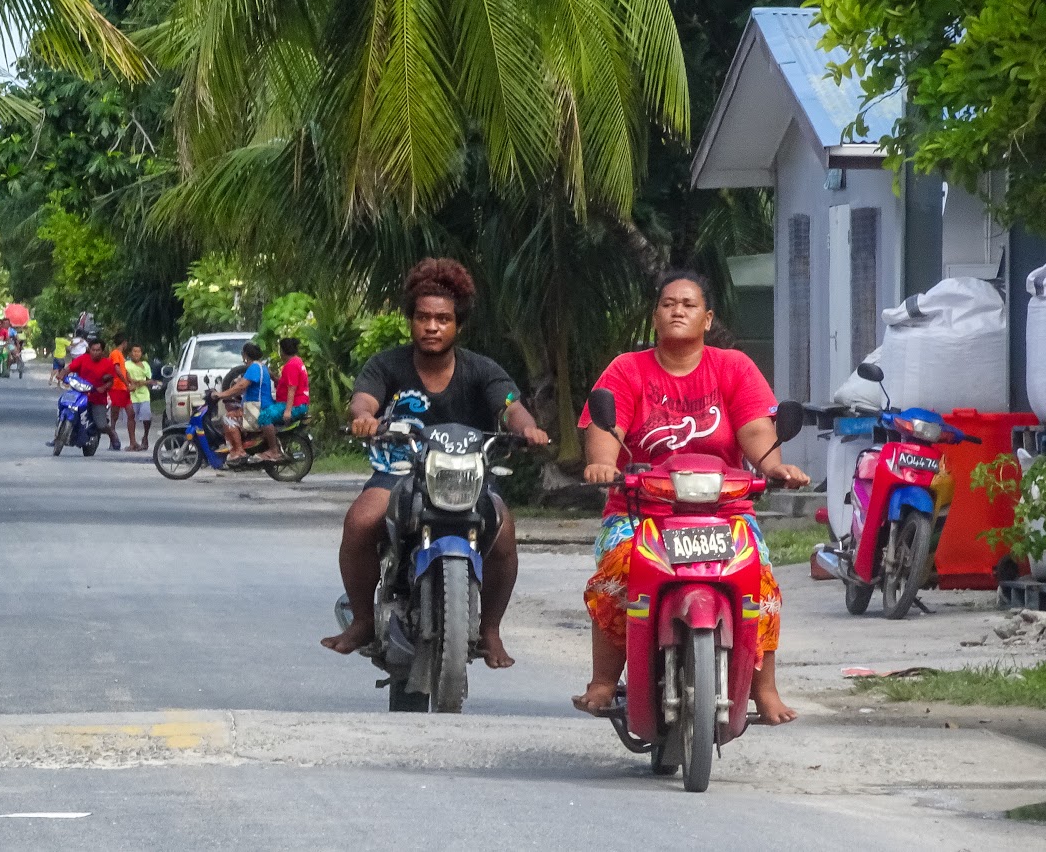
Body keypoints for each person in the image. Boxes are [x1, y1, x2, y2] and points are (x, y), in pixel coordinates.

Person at [573, 271, 809, 726]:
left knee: (759, 582)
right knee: (619, 571)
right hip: (640, 510)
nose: (677, 310)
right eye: (667, 303)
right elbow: (607, 430)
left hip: (725, 510)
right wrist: (603, 465)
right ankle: (604, 681)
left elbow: (757, 431)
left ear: (707, 317)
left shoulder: (734, 368)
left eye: (688, 304)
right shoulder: (627, 369)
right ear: (655, 315)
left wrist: (774, 466)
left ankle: (764, 688)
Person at [320, 258, 548, 670]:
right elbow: (365, 398)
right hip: (402, 471)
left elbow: (511, 405)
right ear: (411, 319)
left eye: (443, 319)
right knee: (358, 522)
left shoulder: (482, 369)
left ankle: (491, 630)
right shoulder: (387, 364)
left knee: (505, 533)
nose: (432, 326)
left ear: (458, 325)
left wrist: (528, 428)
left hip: (469, 477)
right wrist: (364, 417)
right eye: (423, 317)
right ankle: (363, 620)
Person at [214, 342, 278, 464]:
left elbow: (241, 386)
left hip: (256, 410)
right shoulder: (262, 367)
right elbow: (244, 386)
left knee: (228, 419)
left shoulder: (253, 368)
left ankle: (239, 451)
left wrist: (221, 394)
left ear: (245, 355)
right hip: (261, 406)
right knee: (234, 413)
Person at [64, 338, 118, 444]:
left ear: (102, 351)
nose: (95, 352)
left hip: (97, 398)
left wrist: (103, 388)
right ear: (89, 349)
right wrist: (62, 375)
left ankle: (112, 434)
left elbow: (111, 381)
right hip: (80, 395)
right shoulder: (83, 359)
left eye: (98, 350)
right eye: (93, 350)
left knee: (101, 424)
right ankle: (59, 435)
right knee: (67, 408)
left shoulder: (107, 364)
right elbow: (69, 368)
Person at [263, 337, 310, 427]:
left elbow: (292, 389)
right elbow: (284, 384)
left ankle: (272, 441)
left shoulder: (291, 365)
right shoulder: (297, 361)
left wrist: (288, 411)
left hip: (295, 405)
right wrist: (272, 376)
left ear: (283, 351)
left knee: (264, 416)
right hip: (298, 403)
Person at [124, 345, 158, 451]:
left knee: (147, 417)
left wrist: (143, 382)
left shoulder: (145, 365)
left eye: (138, 351)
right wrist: (131, 382)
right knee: (131, 417)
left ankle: (145, 437)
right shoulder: (126, 364)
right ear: (130, 353)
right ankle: (132, 442)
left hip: (144, 395)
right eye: (134, 351)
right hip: (131, 395)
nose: (136, 354)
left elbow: (151, 380)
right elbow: (124, 375)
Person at [106, 334, 133, 451]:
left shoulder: (120, 355)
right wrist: (127, 383)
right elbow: (117, 369)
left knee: (131, 413)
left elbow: (123, 370)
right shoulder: (115, 353)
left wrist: (130, 381)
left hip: (123, 388)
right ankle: (113, 439)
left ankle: (133, 442)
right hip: (116, 387)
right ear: (124, 342)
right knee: (114, 415)